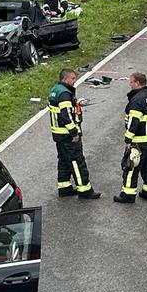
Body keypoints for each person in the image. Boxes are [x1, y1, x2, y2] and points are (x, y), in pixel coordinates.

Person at [49, 69, 100, 200]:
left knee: (64, 160)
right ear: (65, 79)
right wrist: (74, 132)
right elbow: (66, 115)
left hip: (58, 134)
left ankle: (64, 187)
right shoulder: (65, 94)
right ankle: (84, 190)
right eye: (72, 78)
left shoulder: (56, 90)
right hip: (67, 135)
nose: (74, 81)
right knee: (77, 161)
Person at [115, 72, 147, 204]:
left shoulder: (136, 101)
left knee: (131, 168)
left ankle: (128, 195)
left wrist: (128, 141)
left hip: (139, 142)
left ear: (136, 83)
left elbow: (133, 123)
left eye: (131, 82)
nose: (130, 84)